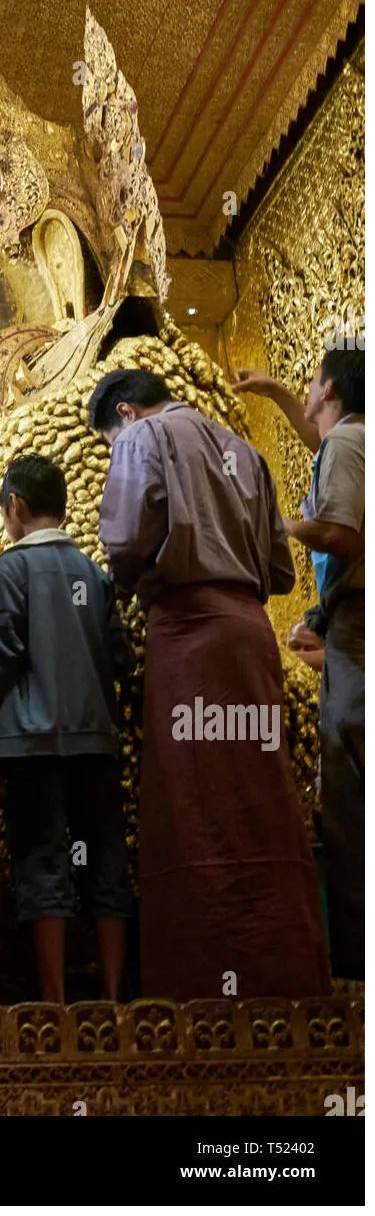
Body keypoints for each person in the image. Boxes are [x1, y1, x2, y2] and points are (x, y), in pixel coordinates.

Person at [89, 370, 330, 1001]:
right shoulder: (244, 451)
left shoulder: (144, 439)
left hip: (188, 636)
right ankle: (286, 984)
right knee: (261, 802)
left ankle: (202, 989)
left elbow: (124, 544)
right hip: (249, 635)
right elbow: (279, 570)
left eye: (110, 439)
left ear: (126, 412)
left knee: (193, 804)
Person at [0, 455, 133, 1004]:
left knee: (44, 861)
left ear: (14, 506)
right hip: (96, 740)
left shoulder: (9, 572)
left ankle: (55, 1004)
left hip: (29, 741)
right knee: (106, 862)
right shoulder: (92, 573)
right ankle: (114, 1000)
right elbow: (121, 657)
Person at [236, 351, 364, 978]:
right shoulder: (353, 438)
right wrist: (278, 391)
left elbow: (341, 533)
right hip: (345, 623)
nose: (307, 393)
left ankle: (354, 977)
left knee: (346, 797)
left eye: (312, 383)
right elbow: (319, 437)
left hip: (357, 623)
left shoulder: (347, 443)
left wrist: (281, 525)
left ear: (331, 387)